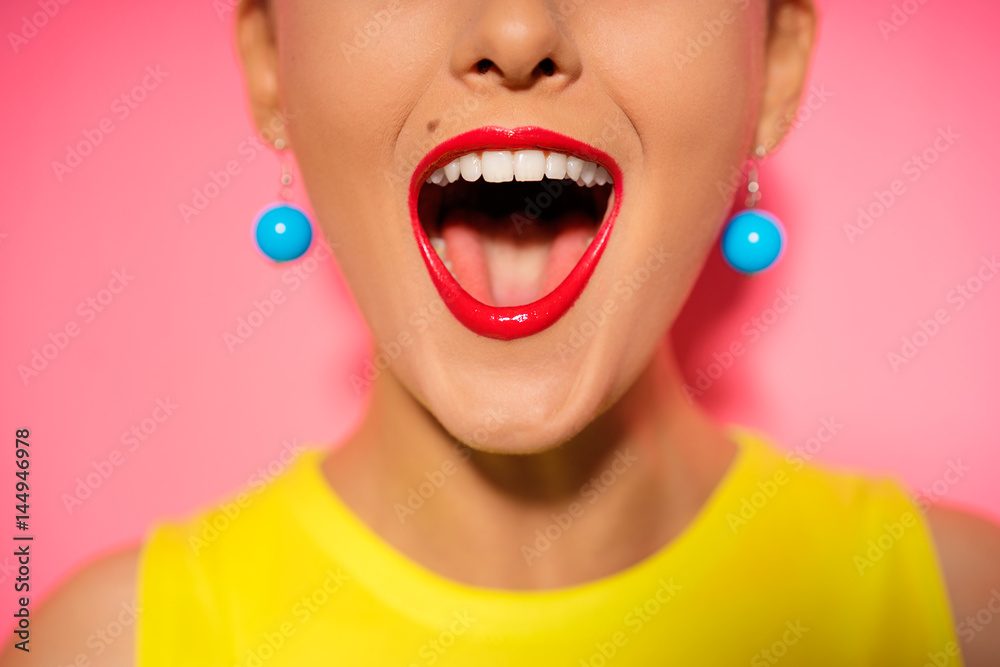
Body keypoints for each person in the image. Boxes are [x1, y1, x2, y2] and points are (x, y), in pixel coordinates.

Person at [10, 0, 1000, 665]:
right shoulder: (105, 646)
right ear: (273, 63)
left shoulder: (965, 617)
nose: (519, 29)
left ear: (773, 66)